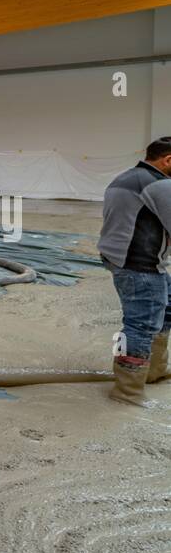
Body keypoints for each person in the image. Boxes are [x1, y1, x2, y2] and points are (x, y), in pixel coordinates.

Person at [99, 137, 171, 405]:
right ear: (168, 160)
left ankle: (154, 371)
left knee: (167, 306)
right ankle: (127, 391)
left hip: (123, 259)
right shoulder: (160, 184)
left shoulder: (126, 177)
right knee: (139, 325)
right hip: (139, 265)